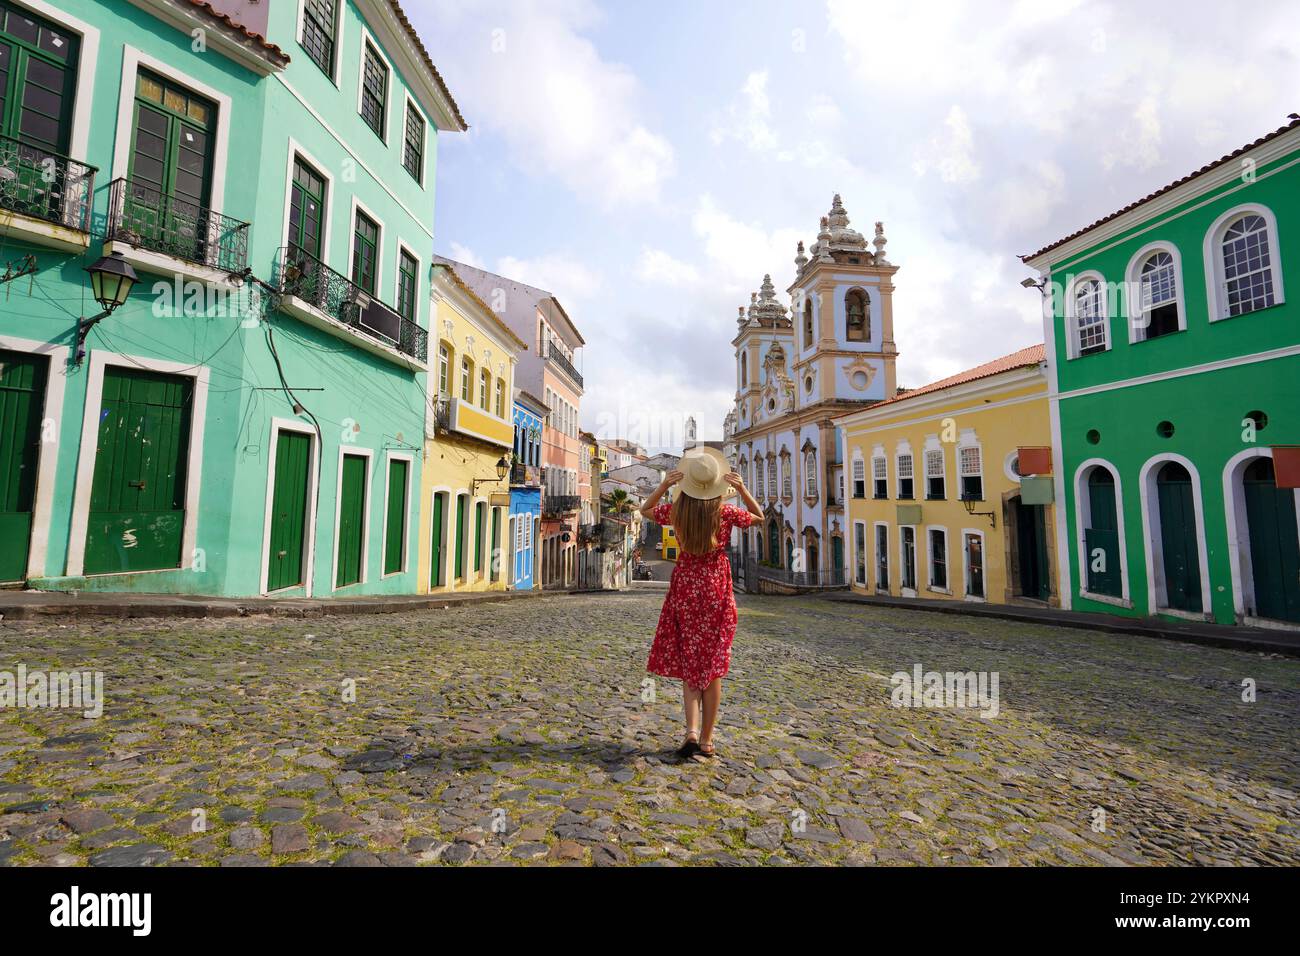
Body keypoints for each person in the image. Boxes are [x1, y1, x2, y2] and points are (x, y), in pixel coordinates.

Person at [638, 446, 762, 759]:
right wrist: (743, 488)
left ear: (688, 484)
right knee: (713, 666)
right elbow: (759, 517)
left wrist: (665, 485)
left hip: (686, 585)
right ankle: (707, 740)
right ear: (717, 484)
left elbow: (645, 510)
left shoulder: (677, 512)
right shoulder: (726, 513)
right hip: (716, 586)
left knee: (690, 661)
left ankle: (691, 731)